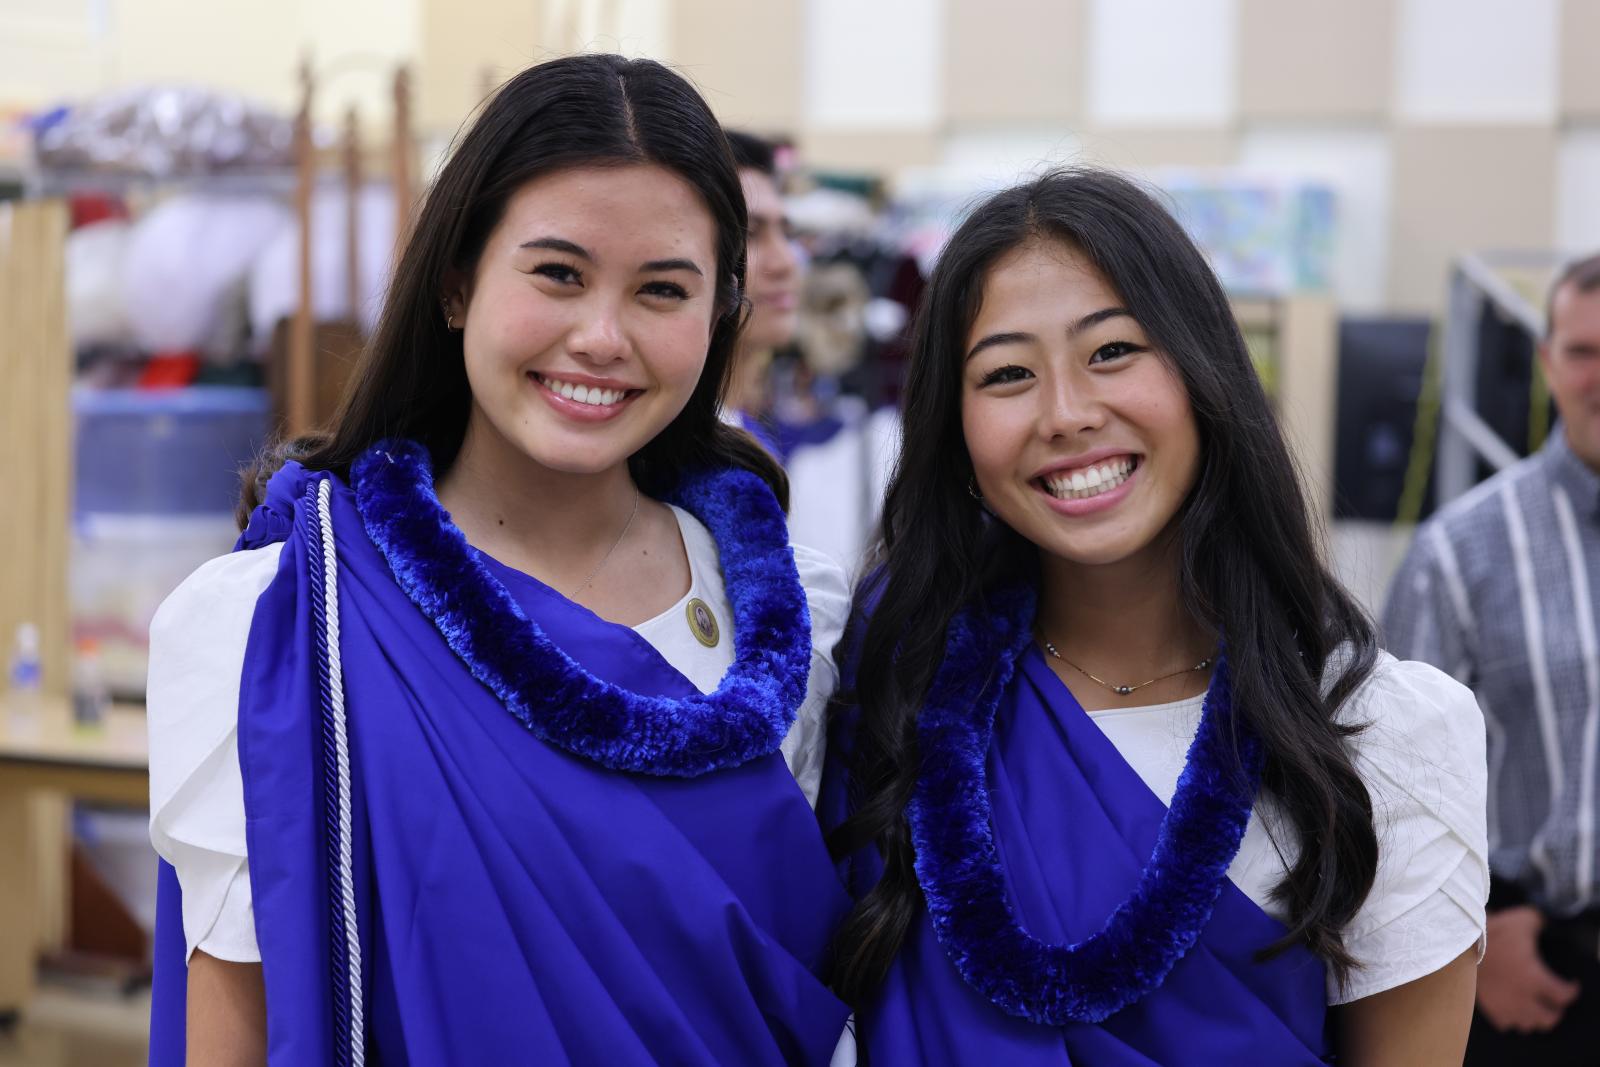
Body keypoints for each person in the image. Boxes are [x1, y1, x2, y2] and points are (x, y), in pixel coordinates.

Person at [145, 54, 855, 1065]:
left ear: (719, 316)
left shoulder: (795, 613)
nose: (600, 337)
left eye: (662, 290)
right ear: (456, 283)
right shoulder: (286, 619)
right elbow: (240, 1029)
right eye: (558, 273)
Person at [822, 169, 1487, 1065]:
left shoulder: (1384, 734)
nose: (1066, 414)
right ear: (955, 430)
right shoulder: (893, 689)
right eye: (1008, 373)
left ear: (1203, 370)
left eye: (1113, 352)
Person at [1383, 252, 1600, 1066]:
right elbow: (1391, 783)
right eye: (1583, 352)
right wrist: (1475, 938)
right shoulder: (1460, 552)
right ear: (1546, 362)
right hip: (1538, 988)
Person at [723, 130, 896, 578]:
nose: (788, 262)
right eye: (751, 234)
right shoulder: (682, 445)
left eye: (788, 232)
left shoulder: (746, 430)